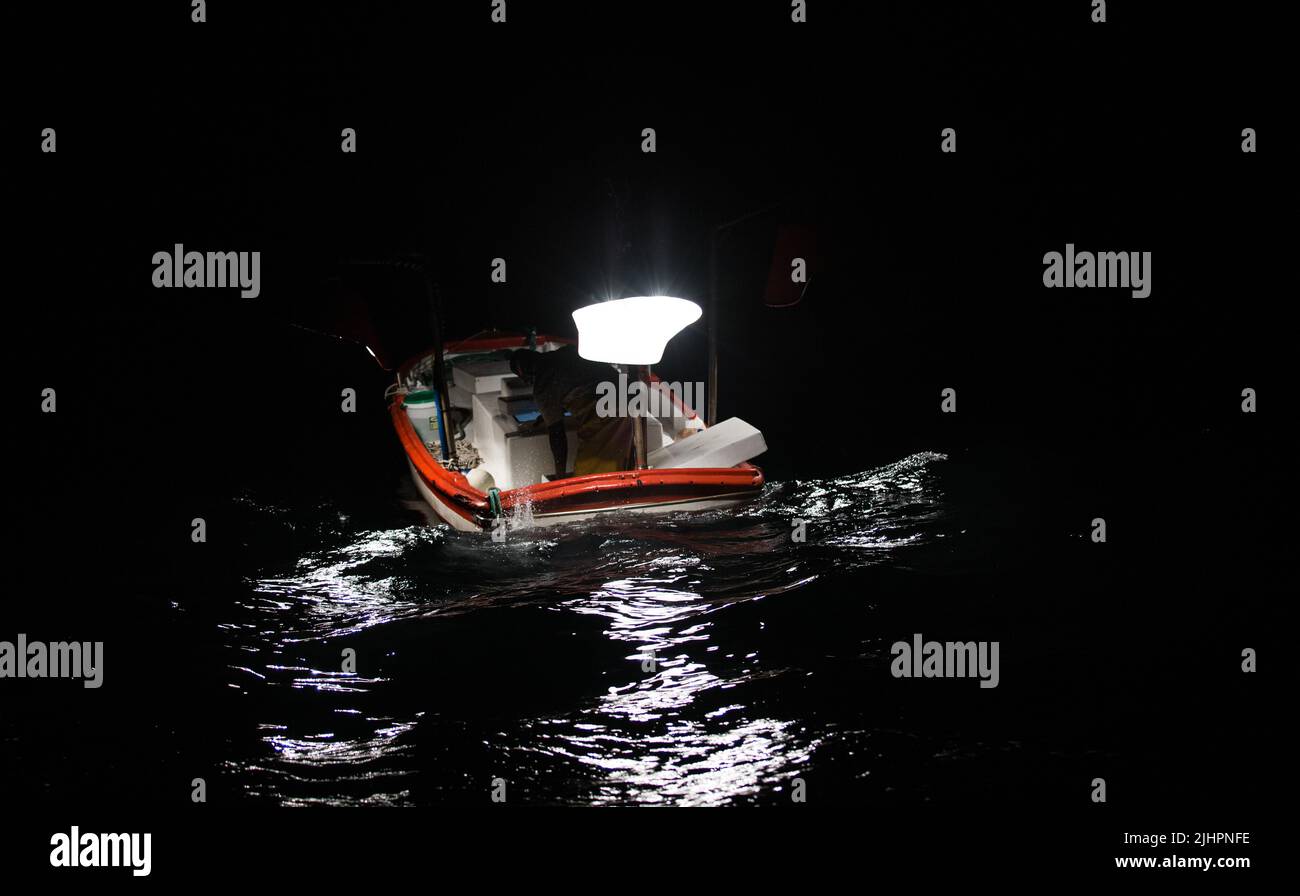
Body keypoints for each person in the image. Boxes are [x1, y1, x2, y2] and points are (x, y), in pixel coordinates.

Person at [509, 346, 633, 478]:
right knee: (621, 459)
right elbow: (577, 382)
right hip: (631, 396)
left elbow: (557, 436)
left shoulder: (542, 385)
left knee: (586, 477)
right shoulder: (569, 351)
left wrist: (560, 476)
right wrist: (548, 414)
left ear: (524, 377)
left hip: (608, 412)